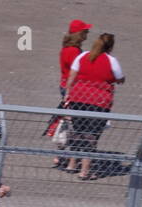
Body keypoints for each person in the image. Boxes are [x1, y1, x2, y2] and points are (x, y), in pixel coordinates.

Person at [64, 33, 125, 180]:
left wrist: (68, 93)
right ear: (110, 46)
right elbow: (119, 78)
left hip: (79, 97)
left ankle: (72, 163)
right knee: (92, 134)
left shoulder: (83, 56)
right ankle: (85, 171)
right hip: (98, 101)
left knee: (78, 130)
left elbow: (72, 75)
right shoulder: (111, 60)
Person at [54, 19, 92, 171]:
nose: (87, 33)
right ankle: (68, 159)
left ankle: (62, 156)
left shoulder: (67, 49)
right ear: (79, 34)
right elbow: (77, 72)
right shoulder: (74, 51)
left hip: (65, 87)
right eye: (85, 31)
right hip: (73, 90)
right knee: (75, 126)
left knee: (69, 123)